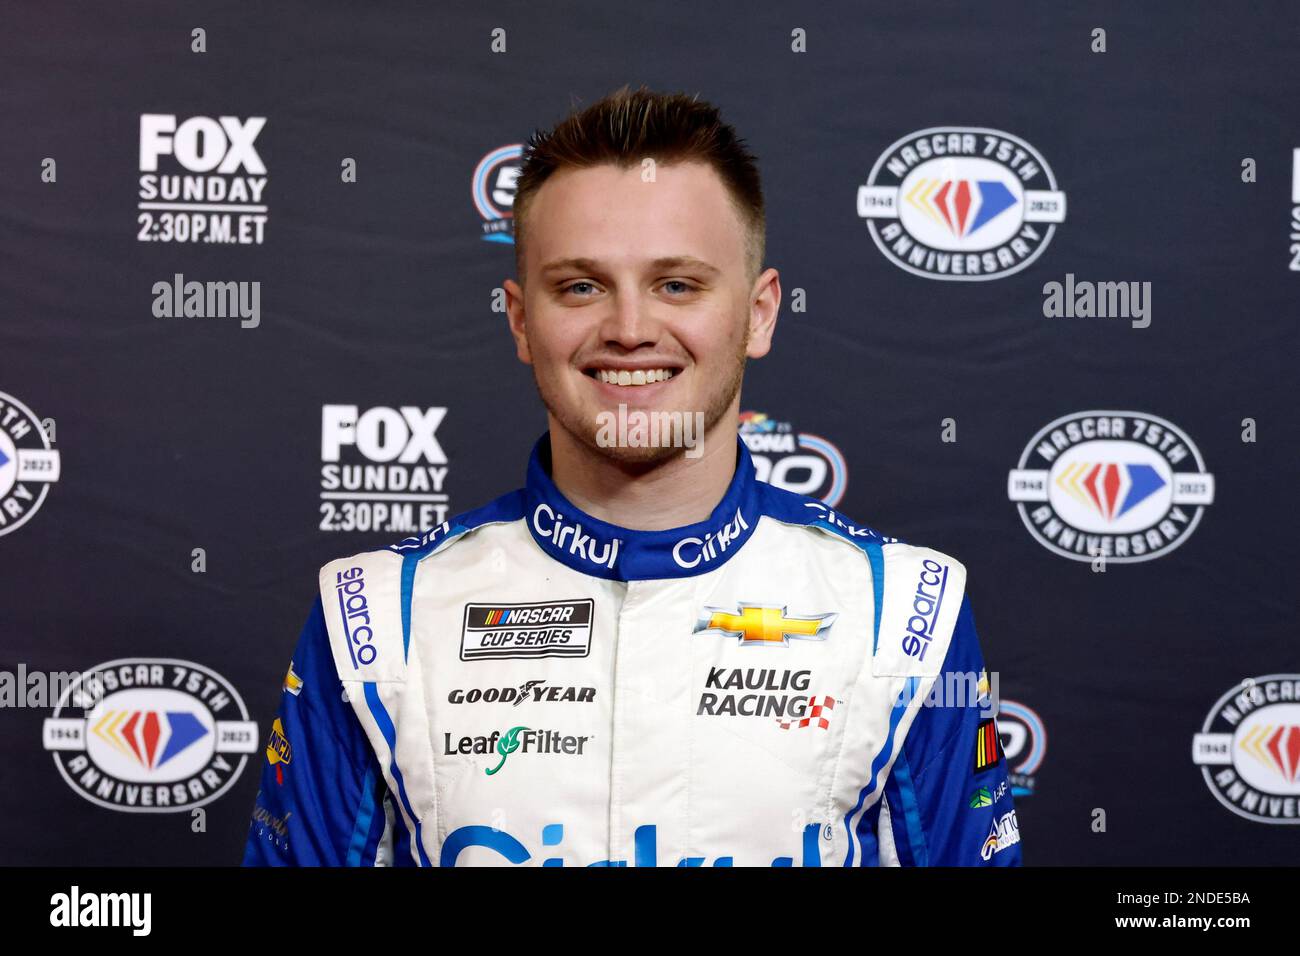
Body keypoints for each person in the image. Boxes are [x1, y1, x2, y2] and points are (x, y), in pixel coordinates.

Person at [241, 85, 1021, 867]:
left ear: (758, 313)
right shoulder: (373, 617)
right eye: (581, 286)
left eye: (676, 284)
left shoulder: (905, 614)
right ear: (520, 319)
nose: (629, 330)